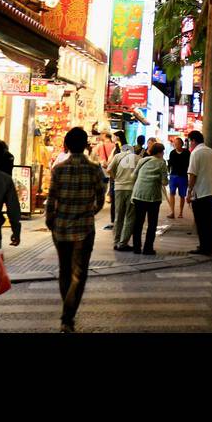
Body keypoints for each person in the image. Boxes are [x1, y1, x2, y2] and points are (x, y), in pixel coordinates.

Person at [44, 127, 106, 333]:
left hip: (61, 228)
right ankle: (67, 317)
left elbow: (51, 199)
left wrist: (50, 219)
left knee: (64, 271)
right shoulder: (94, 168)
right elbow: (100, 197)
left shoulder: (59, 169)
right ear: (86, 145)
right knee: (79, 274)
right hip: (84, 229)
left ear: (67, 145)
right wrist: (91, 211)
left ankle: (67, 314)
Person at [126, 140, 168, 255]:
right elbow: (164, 182)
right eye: (162, 152)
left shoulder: (142, 161)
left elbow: (133, 176)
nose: (163, 154)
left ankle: (136, 248)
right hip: (153, 197)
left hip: (139, 194)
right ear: (159, 153)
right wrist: (159, 179)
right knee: (152, 223)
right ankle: (148, 248)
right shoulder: (161, 163)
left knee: (138, 222)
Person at [186, 130, 212, 256]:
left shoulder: (195, 153)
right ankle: (209, 245)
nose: (189, 145)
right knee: (210, 220)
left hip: (201, 192)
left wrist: (189, 192)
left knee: (201, 221)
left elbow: (193, 175)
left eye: (189, 142)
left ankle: (204, 247)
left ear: (193, 141)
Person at [107, 136, 140, 250]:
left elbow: (109, 170)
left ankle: (116, 242)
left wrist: (115, 178)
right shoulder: (137, 158)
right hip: (131, 188)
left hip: (118, 188)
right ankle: (123, 243)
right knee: (129, 216)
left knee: (118, 216)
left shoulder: (117, 156)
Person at [167, 136, 189, 219]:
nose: (175, 145)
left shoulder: (186, 153)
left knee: (182, 195)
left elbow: (188, 164)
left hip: (183, 176)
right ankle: (172, 212)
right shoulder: (172, 153)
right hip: (174, 176)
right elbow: (170, 164)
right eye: (174, 144)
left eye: (177, 143)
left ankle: (181, 212)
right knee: (172, 193)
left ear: (181, 144)